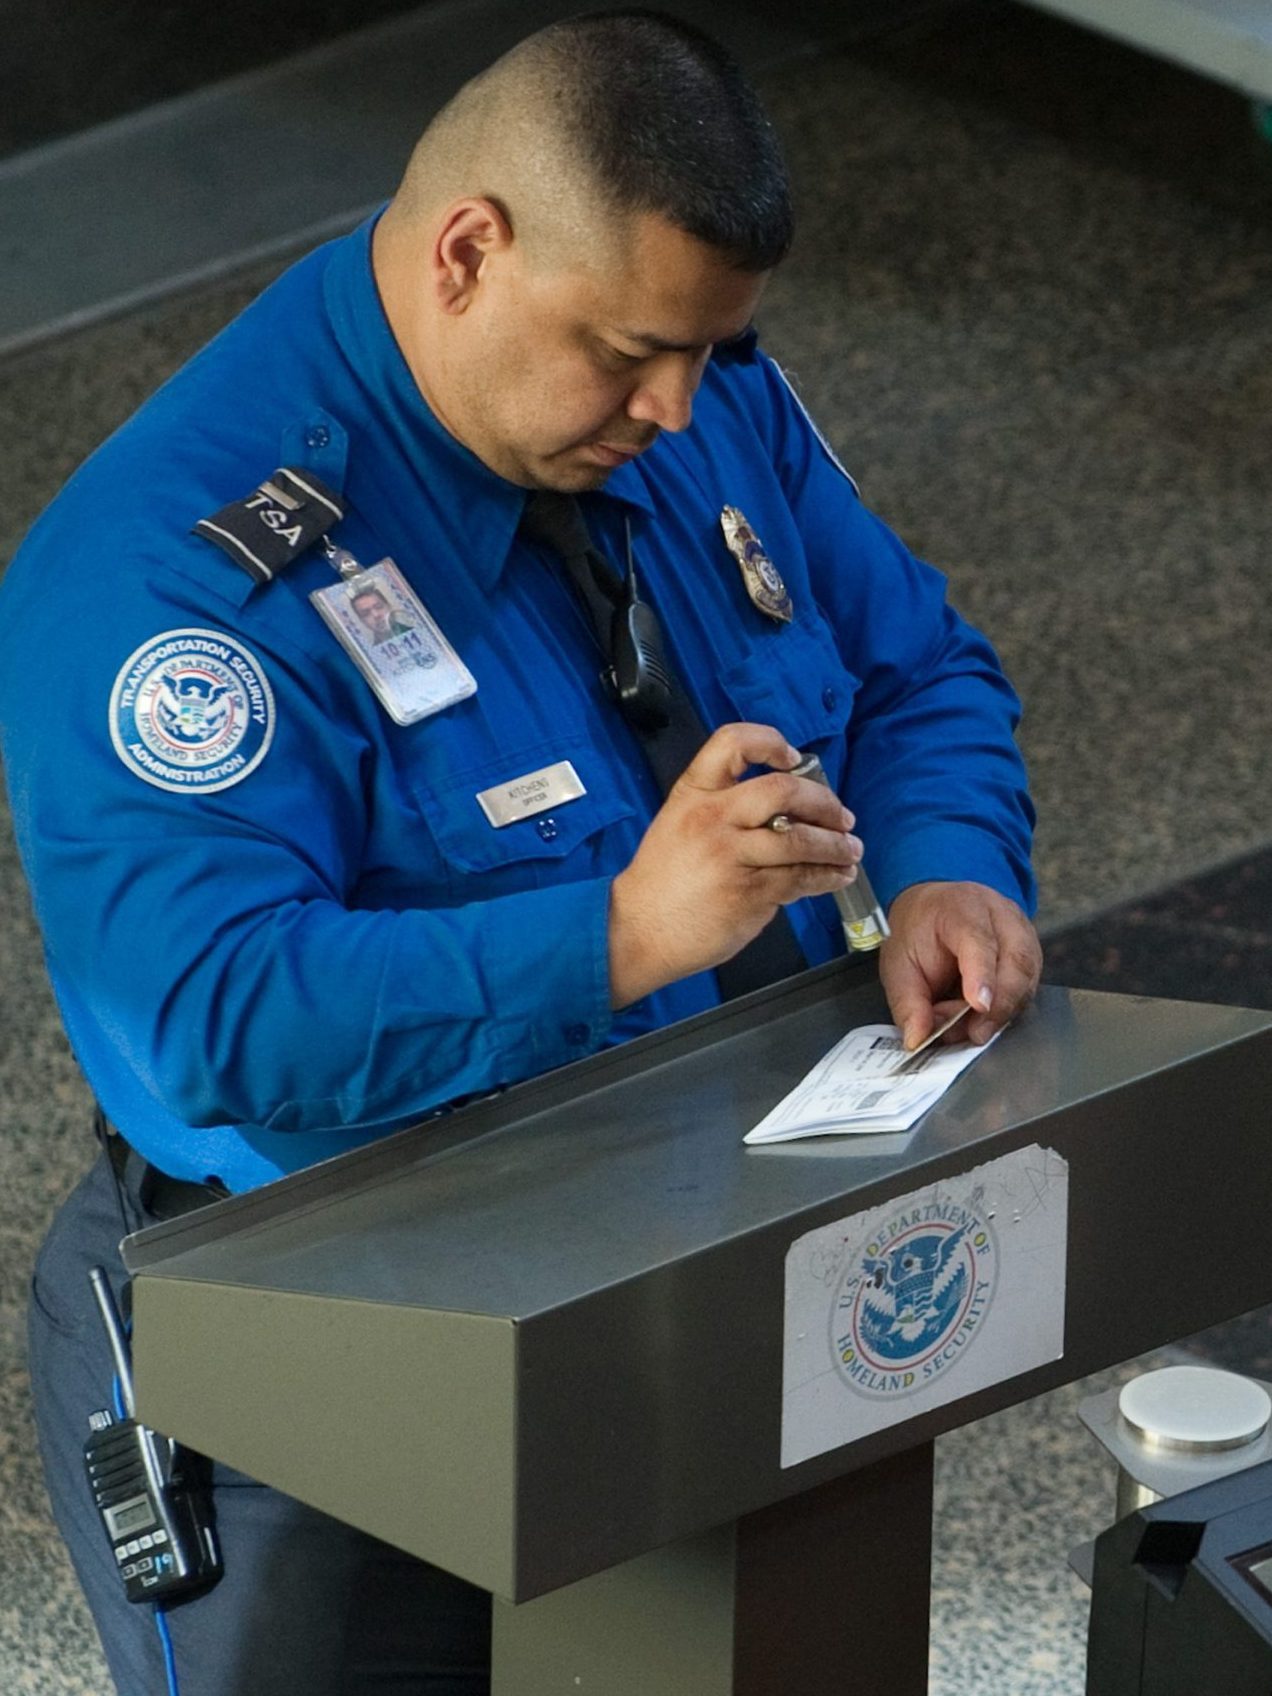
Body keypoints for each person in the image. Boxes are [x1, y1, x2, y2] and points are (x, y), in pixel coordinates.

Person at [2, 13, 1040, 1693]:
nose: (677, 406)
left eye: (712, 352)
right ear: (470, 251)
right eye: (630, 351)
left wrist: (951, 868)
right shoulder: (177, 583)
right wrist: (621, 934)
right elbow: (208, 1009)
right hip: (325, 1365)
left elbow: (917, 664)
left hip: (675, 1266)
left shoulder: (696, 402)